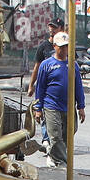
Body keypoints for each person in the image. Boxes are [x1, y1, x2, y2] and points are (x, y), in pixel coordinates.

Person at [34, 31, 86, 168]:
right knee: (55, 135)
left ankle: (52, 153)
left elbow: (78, 86)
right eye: (61, 46)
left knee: (70, 132)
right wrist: (38, 109)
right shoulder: (46, 65)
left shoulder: (73, 65)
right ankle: (63, 162)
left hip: (69, 106)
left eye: (66, 46)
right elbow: (40, 88)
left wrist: (81, 107)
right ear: (54, 46)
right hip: (51, 106)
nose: (64, 50)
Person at [28, 18, 63, 148]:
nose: (51, 29)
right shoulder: (44, 47)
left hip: (61, 91)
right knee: (46, 113)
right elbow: (36, 67)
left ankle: (56, 142)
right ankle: (47, 141)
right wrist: (31, 85)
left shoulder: (67, 45)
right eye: (50, 26)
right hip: (46, 89)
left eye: (54, 27)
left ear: (61, 28)